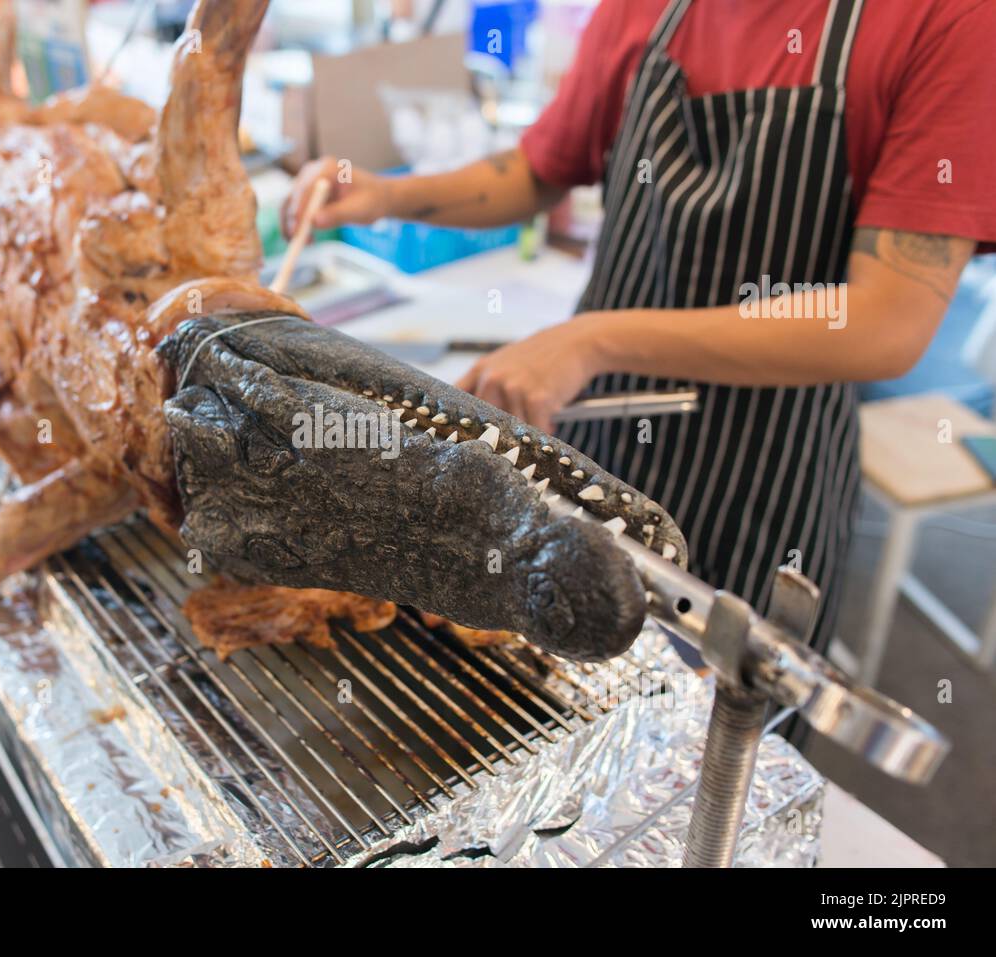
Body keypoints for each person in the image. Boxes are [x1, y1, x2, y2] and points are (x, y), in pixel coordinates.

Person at [283, 0, 996, 656]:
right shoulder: (649, 9)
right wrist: (386, 194)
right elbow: (539, 169)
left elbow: (885, 321)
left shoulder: (946, 20)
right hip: (599, 442)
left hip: (768, 472)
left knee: (710, 735)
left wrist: (593, 339)